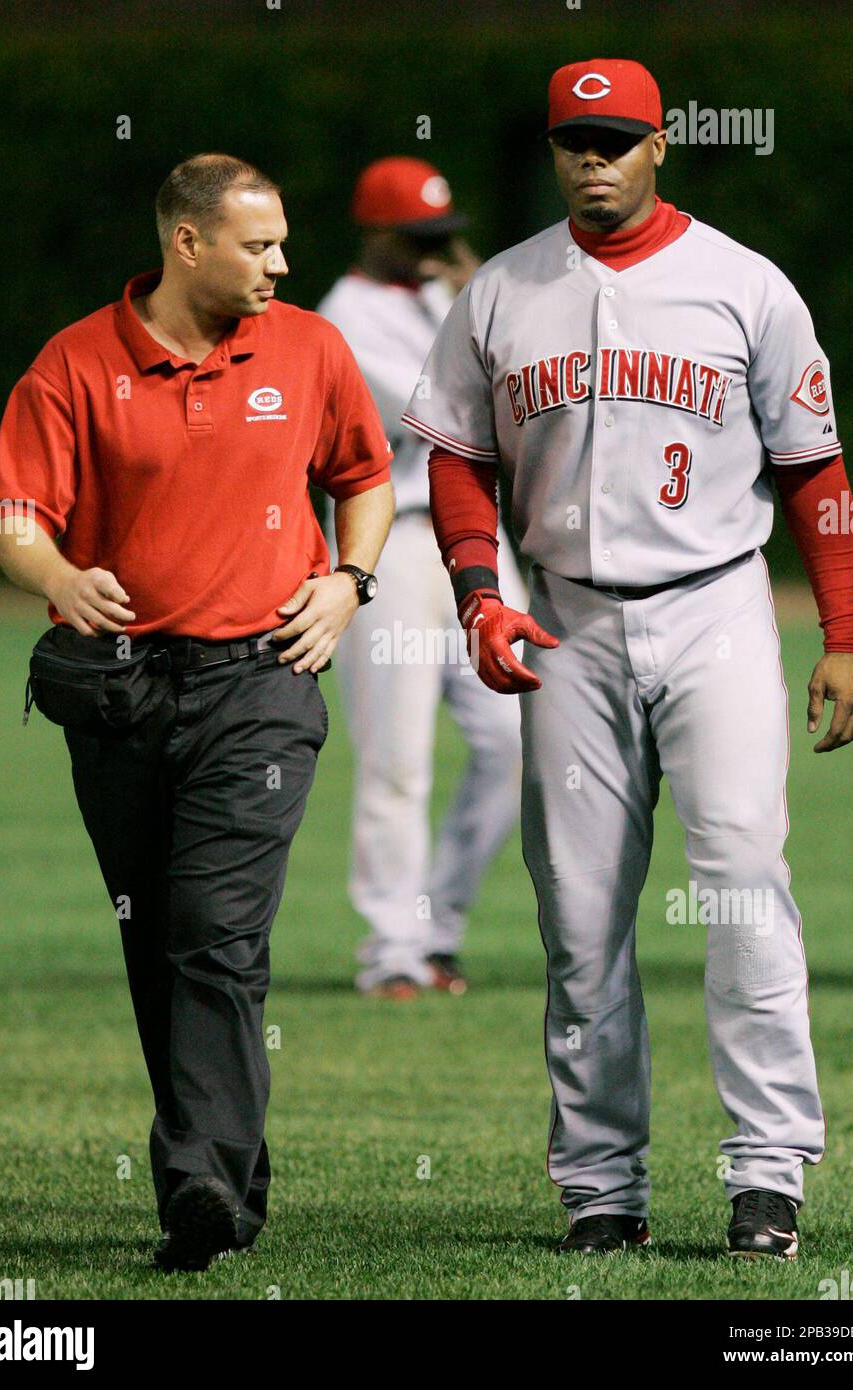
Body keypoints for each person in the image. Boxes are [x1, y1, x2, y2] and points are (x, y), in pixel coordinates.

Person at [401, 60, 853, 1259]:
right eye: (573, 140)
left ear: (660, 143)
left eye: (614, 138)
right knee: (579, 916)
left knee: (741, 880)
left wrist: (843, 633)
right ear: (554, 149)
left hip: (713, 610)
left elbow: (811, 466)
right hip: (561, 615)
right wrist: (475, 592)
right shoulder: (501, 290)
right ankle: (600, 1187)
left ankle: (766, 1174)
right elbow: (454, 453)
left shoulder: (740, 285)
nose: (592, 160)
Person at [0, 153, 394, 1271]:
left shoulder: (310, 349)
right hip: (117, 691)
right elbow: (13, 514)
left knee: (215, 928)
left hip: (259, 681)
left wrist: (346, 583)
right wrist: (57, 578)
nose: (281, 263)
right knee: (155, 935)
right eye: (258, 245)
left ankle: (196, 1178)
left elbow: (364, 478)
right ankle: (225, 1176)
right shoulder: (73, 363)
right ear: (187, 243)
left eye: (280, 244)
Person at [317, 157, 525, 998]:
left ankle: (437, 924)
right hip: (392, 541)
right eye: (419, 238)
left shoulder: (446, 296)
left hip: (476, 537)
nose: (436, 250)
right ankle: (391, 949)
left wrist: (484, 297)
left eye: (443, 235)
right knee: (397, 758)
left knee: (517, 740)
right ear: (376, 233)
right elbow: (441, 411)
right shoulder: (342, 317)